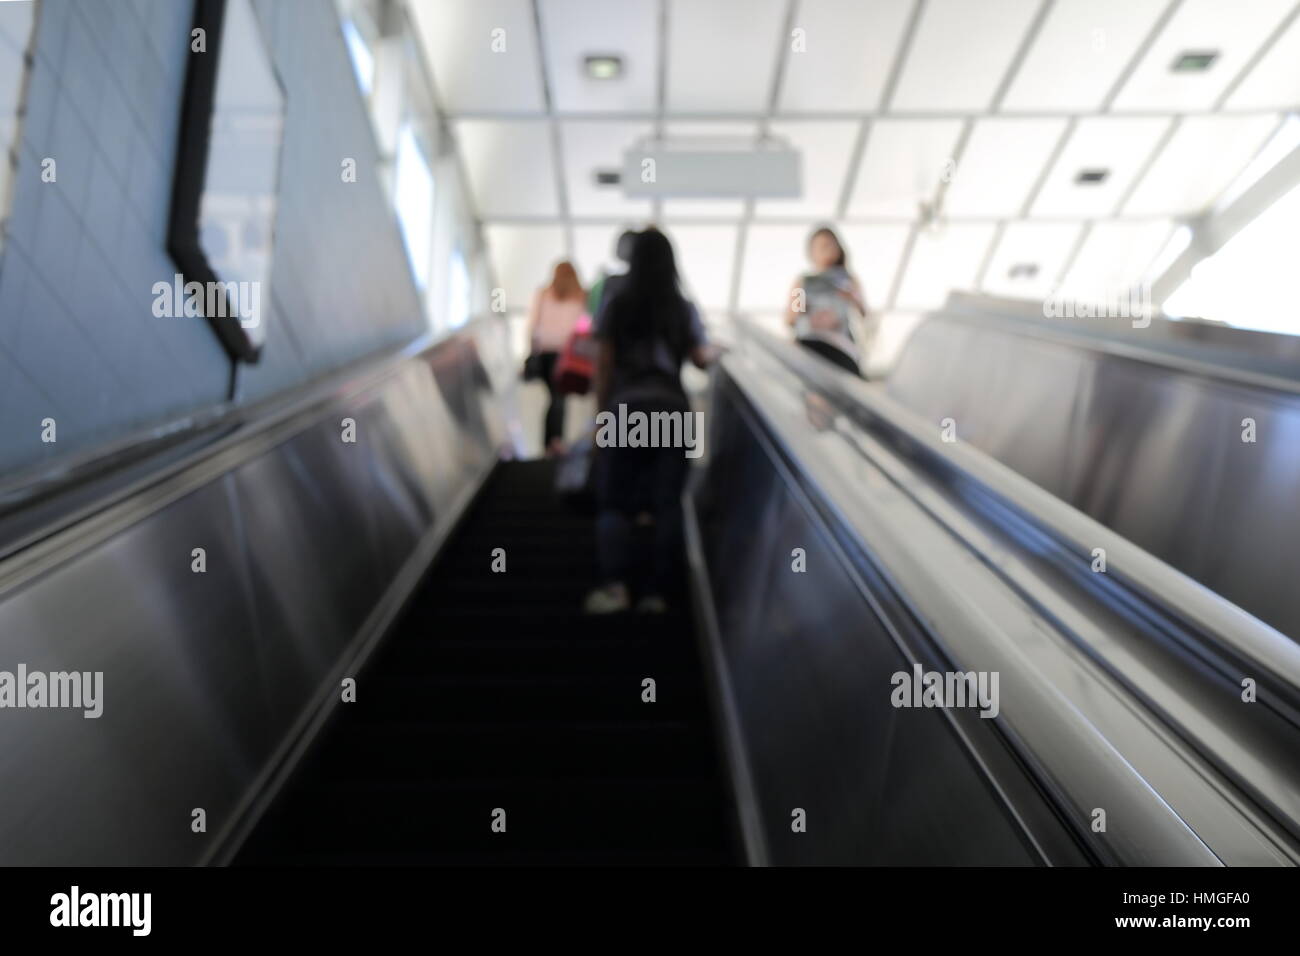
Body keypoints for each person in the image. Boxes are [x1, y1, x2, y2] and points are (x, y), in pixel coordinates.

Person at [584, 229, 714, 615]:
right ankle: (657, 594)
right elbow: (701, 358)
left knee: (615, 501)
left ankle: (616, 587)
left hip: (626, 408)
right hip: (672, 409)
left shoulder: (617, 303)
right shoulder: (682, 307)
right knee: (667, 503)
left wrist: (600, 419)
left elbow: (604, 365)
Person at [786, 226, 870, 376]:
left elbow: (864, 312)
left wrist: (853, 297)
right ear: (812, 252)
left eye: (831, 245)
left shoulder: (849, 280)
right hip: (810, 345)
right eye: (822, 246)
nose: (828, 250)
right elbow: (789, 320)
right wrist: (799, 307)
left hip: (840, 347)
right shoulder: (801, 282)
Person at [526, 261, 586, 455]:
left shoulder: (544, 294)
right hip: (565, 354)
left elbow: (533, 326)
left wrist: (532, 350)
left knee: (555, 398)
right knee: (558, 398)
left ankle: (551, 443)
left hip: (546, 353)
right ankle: (555, 441)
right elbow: (583, 327)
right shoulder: (579, 296)